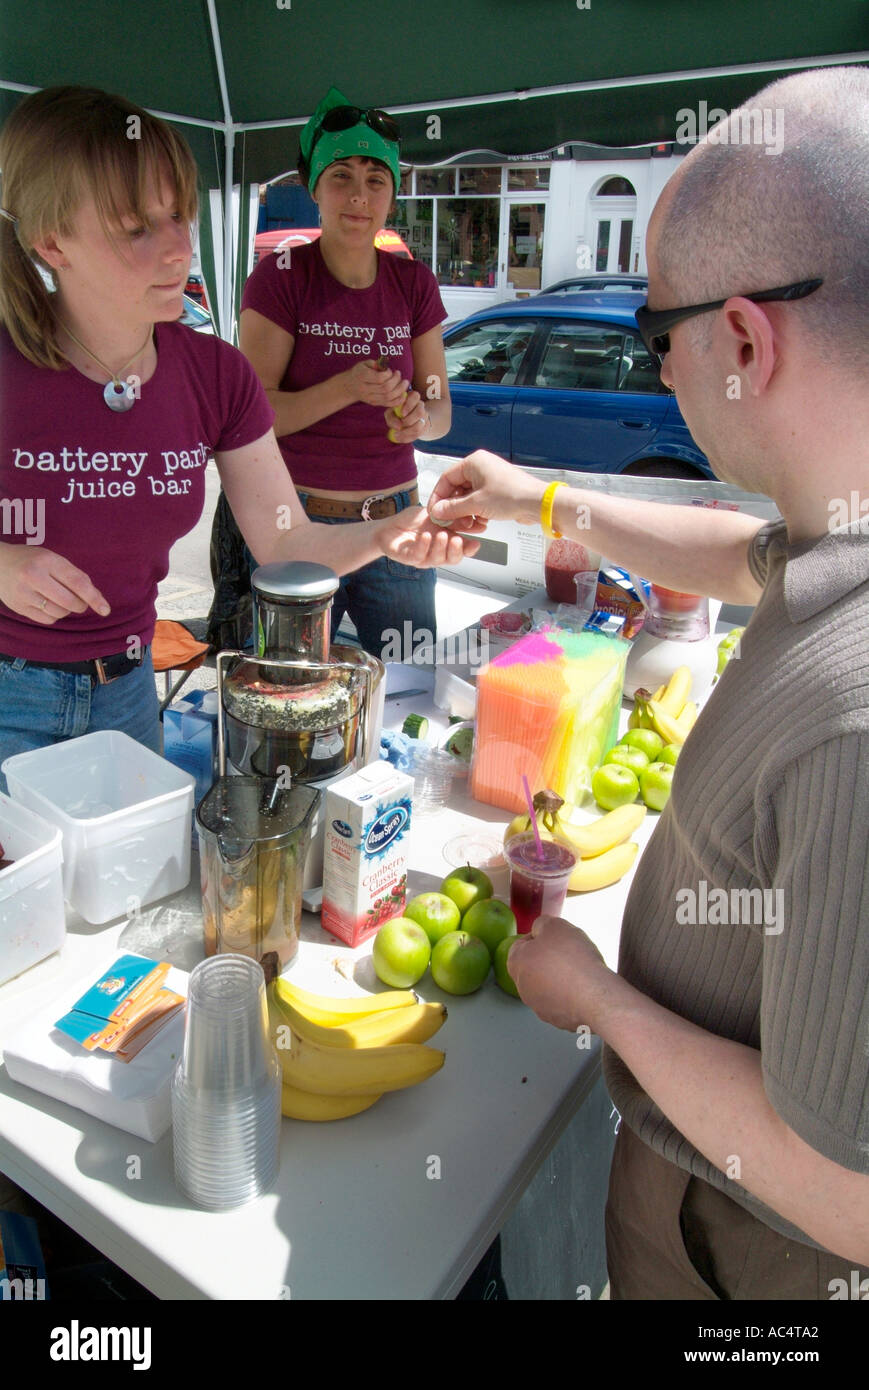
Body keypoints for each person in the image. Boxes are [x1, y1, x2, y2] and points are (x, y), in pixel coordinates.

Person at [427, 66, 869, 1298]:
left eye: (653, 339)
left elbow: (850, 1193)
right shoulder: (841, 531)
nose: (658, 375)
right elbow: (745, 559)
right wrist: (542, 499)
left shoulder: (853, 721)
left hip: (747, 1255)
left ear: (740, 337)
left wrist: (597, 998)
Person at [0, 86, 474, 785]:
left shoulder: (214, 373)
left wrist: (392, 531)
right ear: (50, 243)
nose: (178, 248)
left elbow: (287, 543)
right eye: (137, 227)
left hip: (129, 695)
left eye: (180, 215)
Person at [239, 86, 452, 658]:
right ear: (314, 188)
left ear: (392, 194)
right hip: (300, 527)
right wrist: (344, 389)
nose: (359, 197)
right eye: (342, 177)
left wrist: (416, 418)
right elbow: (251, 418)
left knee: (409, 689)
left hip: (400, 524)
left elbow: (440, 412)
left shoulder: (413, 282)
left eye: (375, 180)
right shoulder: (281, 277)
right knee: (290, 701)